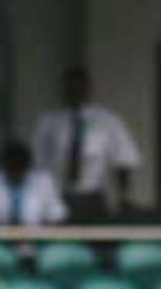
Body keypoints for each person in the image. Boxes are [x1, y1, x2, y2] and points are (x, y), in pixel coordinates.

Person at [31, 66, 141, 222]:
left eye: (79, 87)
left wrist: (124, 197)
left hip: (93, 196)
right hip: (57, 195)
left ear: (88, 89)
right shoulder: (49, 121)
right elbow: (37, 161)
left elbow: (124, 159)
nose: (75, 92)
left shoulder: (107, 121)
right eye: (71, 88)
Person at [0, 138, 67, 227]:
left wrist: (39, 230)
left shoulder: (44, 182)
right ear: (4, 165)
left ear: (29, 166)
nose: (17, 172)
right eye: (13, 167)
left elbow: (58, 216)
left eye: (21, 167)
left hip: (36, 238)